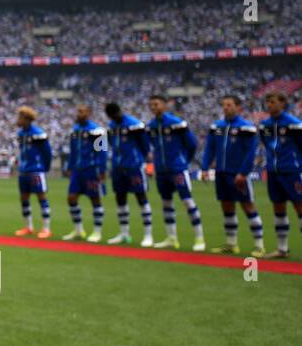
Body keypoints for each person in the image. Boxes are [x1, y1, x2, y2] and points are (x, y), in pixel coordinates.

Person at [202, 95, 262, 256]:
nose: (225, 107)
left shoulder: (246, 127)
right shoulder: (217, 126)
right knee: (227, 207)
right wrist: (204, 167)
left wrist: (243, 173)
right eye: (223, 105)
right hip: (221, 173)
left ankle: (259, 245)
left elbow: (251, 153)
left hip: (237, 174)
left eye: (229, 105)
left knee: (247, 206)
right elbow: (209, 149)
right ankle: (231, 244)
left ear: (238, 107)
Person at [147, 94, 206, 251]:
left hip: (177, 169)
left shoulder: (177, 123)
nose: (154, 108)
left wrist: (184, 161)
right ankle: (171, 238)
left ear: (165, 105)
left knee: (187, 201)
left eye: (156, 104)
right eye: (151, 105)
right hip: (161, 171)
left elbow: (192, 144)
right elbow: (152, 146)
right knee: (166, 203)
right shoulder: (151, 126)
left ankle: (199, 238)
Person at [259, 91, 302, 258]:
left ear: (282, 103)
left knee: (299, 206)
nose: (270, 105)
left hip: (292, 171)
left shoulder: (294, 124)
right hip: (273, 172)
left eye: (273, 102)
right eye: (268, 102)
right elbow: (267, 144)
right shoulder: (264, 125)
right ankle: (282, 248)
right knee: (278, 207)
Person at [104, 101, 153, 246]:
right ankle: (124, 234)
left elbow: (145, 146)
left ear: (119, 111)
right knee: (120, 199)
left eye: (114, 115)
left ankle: (148, 235)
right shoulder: (112, 126)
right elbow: (106, 144)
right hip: (118, 168)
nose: (113, 118)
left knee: (141, 198)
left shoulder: (135, 125)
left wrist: (144, 163)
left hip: (134, 167)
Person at [62, 104, 109, 243]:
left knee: (95, 200)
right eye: (78, 111)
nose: (79, 113)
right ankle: (78, 230)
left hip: (92, 170)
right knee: (71, 198)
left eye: (82, 111)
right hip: (77, 170)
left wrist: (102, 169)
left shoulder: (97, 130)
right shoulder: (75, 130)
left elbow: (102, 151)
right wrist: (69, 166)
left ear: (89, 113)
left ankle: (97, 232)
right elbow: (73, 151)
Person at [13, 106, 53, 238]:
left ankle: (46, 228)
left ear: (27, 119)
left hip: (35, 170)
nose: (17, 119)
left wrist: (45, 167)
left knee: (41, 197)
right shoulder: (20, 134)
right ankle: (28, 227)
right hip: (24, 171)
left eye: (20, 117)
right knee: (23, 198)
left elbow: (47, 152)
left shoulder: (38, 134)